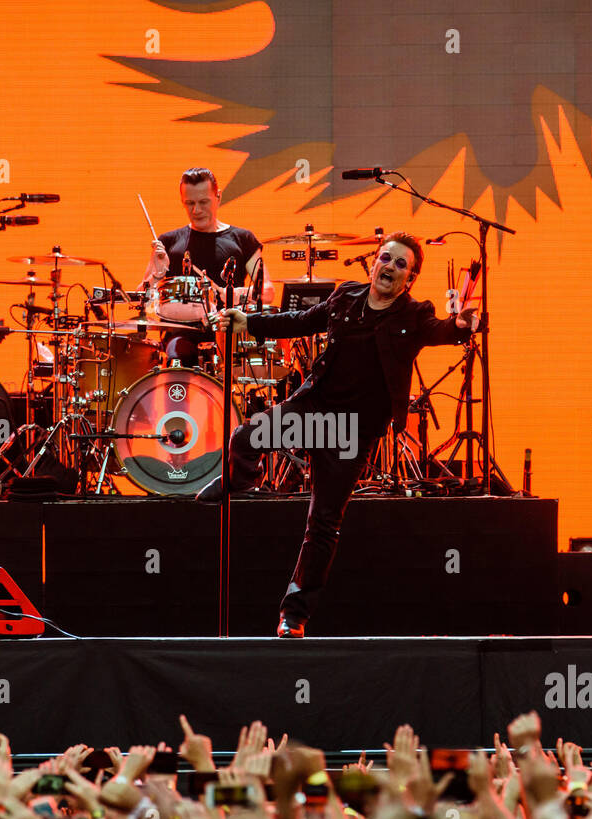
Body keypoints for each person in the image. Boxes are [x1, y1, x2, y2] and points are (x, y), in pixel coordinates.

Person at [204, 233, 480, 638]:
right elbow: (299, 322)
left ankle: (294, 614)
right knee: (245, 438)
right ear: (374, 262)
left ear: (411, 277)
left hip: (351, 431)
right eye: (386, 258)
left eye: (401, 264)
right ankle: (241, 479)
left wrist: (462, 322)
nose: (390, 266)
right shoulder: (344, 297)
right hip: (314, 409)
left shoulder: (414, 314)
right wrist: (250, 321)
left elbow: (446, 330)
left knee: (322, 524)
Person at [139, 167, 274, 365]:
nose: (196, 210)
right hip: (181, 335)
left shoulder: (243, 239)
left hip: (229, 331)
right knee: (178, 354)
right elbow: (142, 299)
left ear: (218, 197)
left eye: (204, 202)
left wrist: (234, 294)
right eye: (190, 203)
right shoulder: (168, 242)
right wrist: (157, 275)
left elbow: (268, 292)